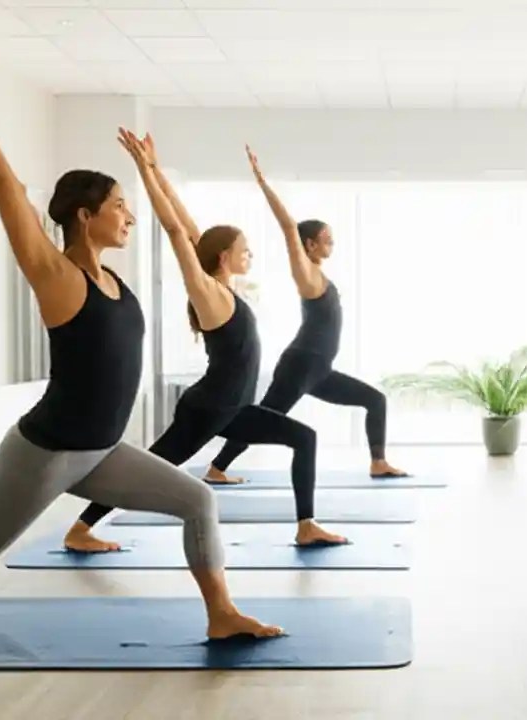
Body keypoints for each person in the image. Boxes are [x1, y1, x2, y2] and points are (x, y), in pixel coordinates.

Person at [0, 1, 285, 658]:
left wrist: (152, 174)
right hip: (45, 453)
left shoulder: (116, 279)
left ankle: (222, 615)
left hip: (103, 449)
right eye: (120, 206)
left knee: (198, 502)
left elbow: (184, 232)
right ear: (86, 215)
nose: (129, 217)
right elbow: (3, 180)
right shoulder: (57, 276)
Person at [62, 130, 347, 553]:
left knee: (304, 438)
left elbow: (187, 223)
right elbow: (175, 229)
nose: (249, 255)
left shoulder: (224, 286)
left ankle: (306, 525)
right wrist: (143, 171)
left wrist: (157, 169)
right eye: (243, 249)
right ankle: (80, 528)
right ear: (223, 257)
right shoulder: (207, 291)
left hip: (234, 408)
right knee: (152, 467)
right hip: (209, 409)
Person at [203, 150, 409, 483]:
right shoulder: (306, 273)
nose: (332, 243)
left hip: (319, 370)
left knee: (375, 400)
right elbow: (289, 228)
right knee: (263, 419)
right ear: (309, 245)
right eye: (327, 239)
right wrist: (262, 183)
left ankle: (378, 462)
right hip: (300, 367)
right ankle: (216, 468)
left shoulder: (320, 275)